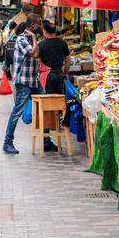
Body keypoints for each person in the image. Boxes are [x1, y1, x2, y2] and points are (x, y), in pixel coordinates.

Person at [2, 14, 41, 154]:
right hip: (23, 81)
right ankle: (7, 142)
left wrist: (36, 41)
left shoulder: (31, 38)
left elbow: (37, 54)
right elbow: (33, 53)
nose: (40, 27)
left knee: (46, 106)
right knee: (17, 111)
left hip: (34, 80)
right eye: (39, 24)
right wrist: (36, 40)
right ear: (32, 25)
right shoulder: (22, 39)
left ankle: (47, 140)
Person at [38, 19, 70, 153]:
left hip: (48, 77)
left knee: (46, 107)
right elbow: (67, 60)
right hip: (59, 75)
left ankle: (46, 139)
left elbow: (38, 62)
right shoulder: (62, 43)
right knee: (61, 104)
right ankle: (61, 125)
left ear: (45, 32)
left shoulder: (41, 44)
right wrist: (65, 71)